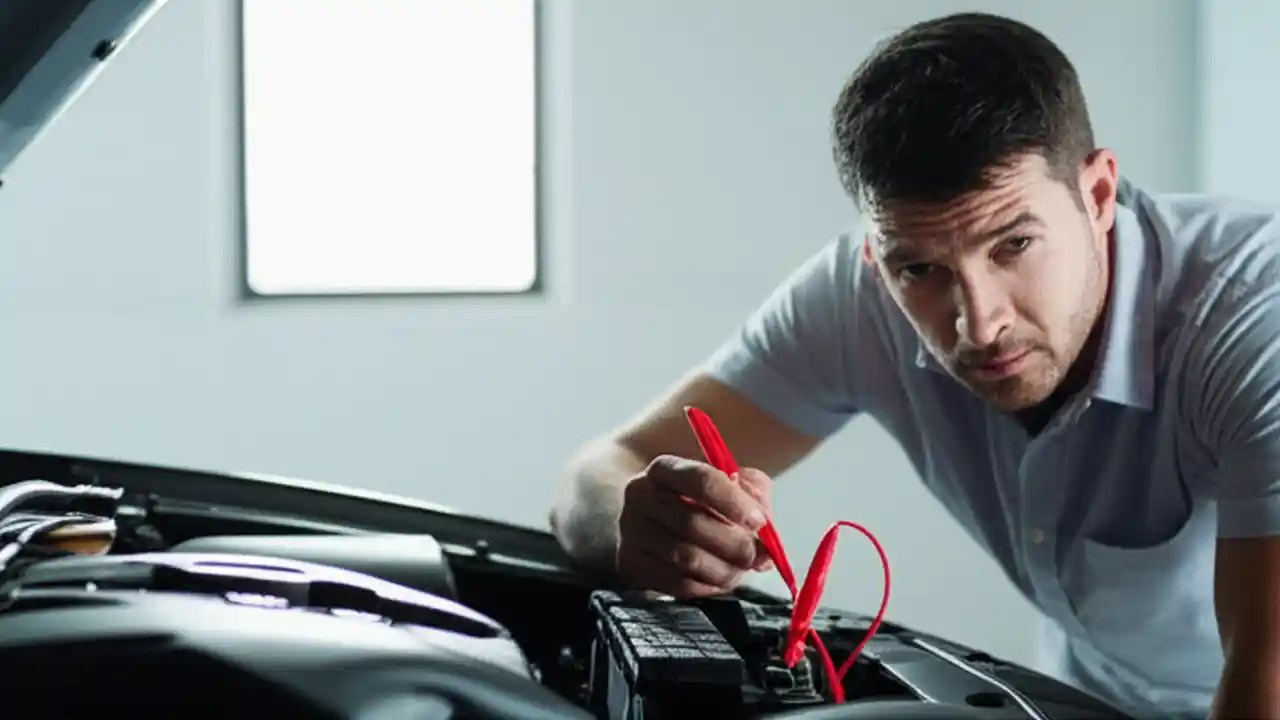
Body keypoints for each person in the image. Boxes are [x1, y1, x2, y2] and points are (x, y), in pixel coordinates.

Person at [549, 11, 1280, 720]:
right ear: (875, 255)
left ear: (1097, 195)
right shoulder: (857, 297)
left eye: (1013, 245)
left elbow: (1268, 677)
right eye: (921, 269)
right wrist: (636, 528)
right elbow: (603, 468)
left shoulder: (1253, 318)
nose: (979, 320)